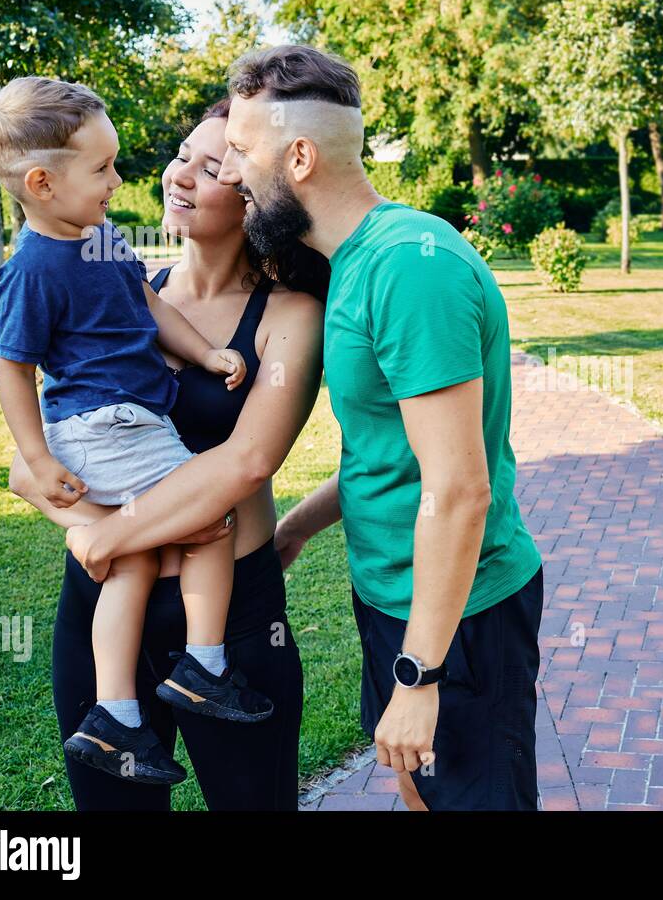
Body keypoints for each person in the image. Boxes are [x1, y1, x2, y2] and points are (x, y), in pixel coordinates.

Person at [68, 44, 544, 810]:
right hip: (397, 596)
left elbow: (459, 489)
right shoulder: (356, 264)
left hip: (460, 615)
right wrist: (298, 527)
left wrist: (421, 675)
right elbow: (391, 458)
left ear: (297, 157)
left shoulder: (410, 266)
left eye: (242, 155)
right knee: (423, 792)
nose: (228, 175)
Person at [10, 97, 327, 809]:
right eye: (183, 153)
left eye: (213, 166)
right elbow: (29, 464)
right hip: (104, 604)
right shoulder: (117, 285)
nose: (179, 174)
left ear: (255, 199)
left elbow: (247, 462)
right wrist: (88, 536)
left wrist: (111, 533)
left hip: (231, 621)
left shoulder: (289, 316)